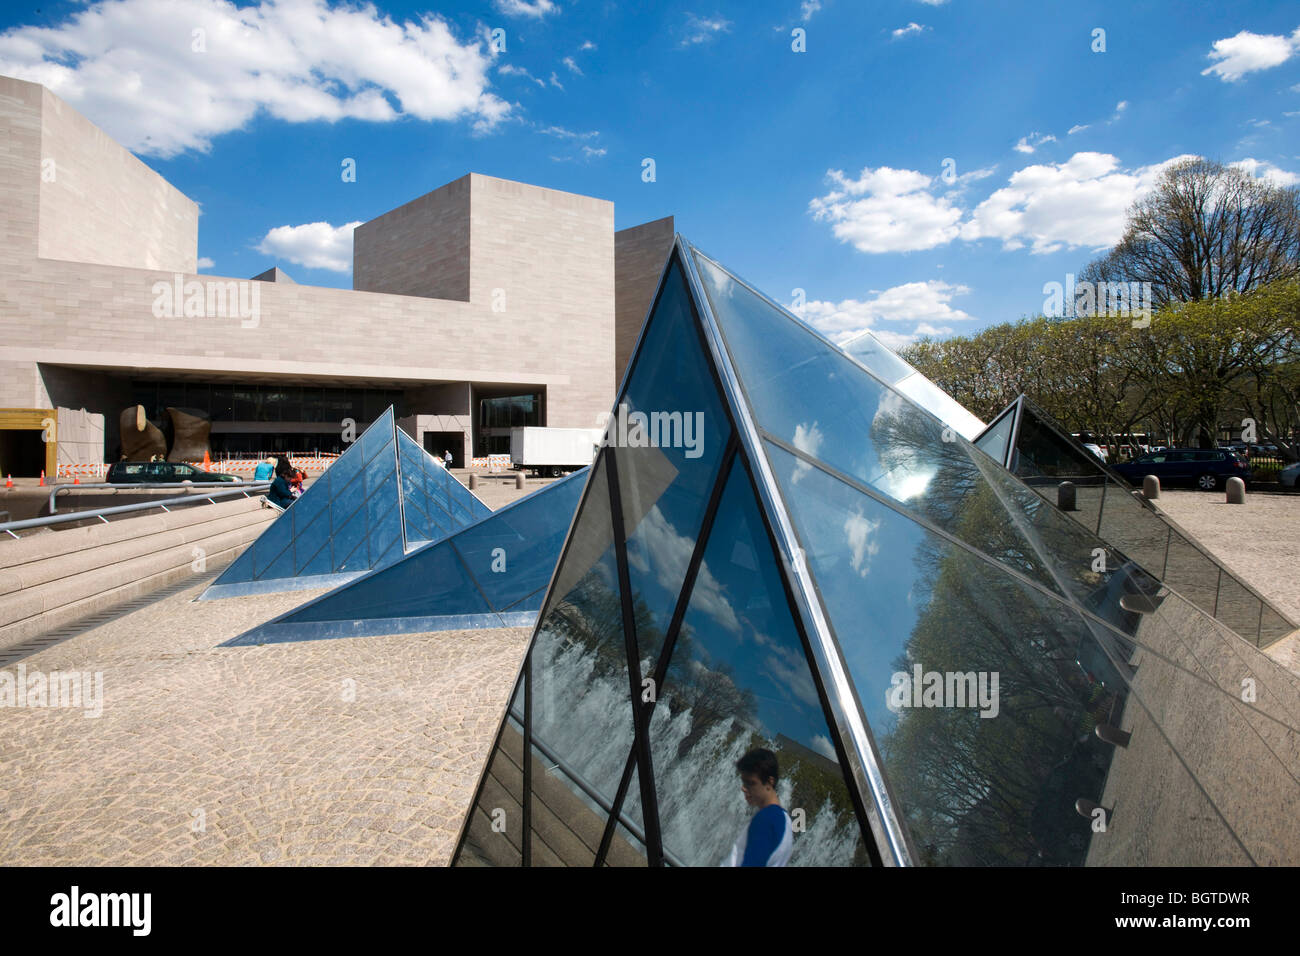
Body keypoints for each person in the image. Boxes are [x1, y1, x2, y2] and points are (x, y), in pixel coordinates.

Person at [723, 748, 792, 867]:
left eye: (750, 783)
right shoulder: (785, 820)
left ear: (770, 782)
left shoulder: (767, 820)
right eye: (743, 782)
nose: (744, 788)